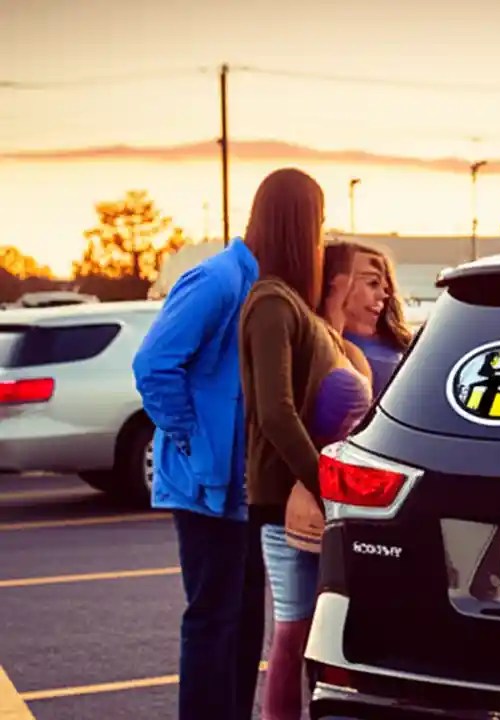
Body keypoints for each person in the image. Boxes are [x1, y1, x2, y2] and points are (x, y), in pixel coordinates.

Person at [132, 177, 277, 720]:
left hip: (248, 487)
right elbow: (153, 365)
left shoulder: (262, 286)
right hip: (205, 487)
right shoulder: (217, 280)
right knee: (213, 619)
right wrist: (197, 444)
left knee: (243, 619)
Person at [239, 175, 373, 720]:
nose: (321, 235)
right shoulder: (270, 302)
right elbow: (275, 411)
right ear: (294, 226)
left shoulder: (298, 305)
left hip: (313, 494)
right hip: (285, 501)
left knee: (316, 636)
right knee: (293, 637)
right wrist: (324, 483)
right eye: (315, 222)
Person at [323, 239, 413, 394]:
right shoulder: (327, 351)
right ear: (334, 284)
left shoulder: (402, 344)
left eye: (386, 288)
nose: (383, 295)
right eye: (372, 283)